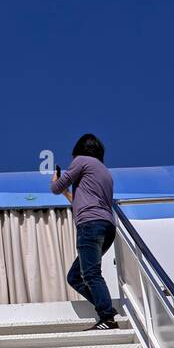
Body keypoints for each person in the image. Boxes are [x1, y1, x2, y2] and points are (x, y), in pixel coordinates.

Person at [51, 133, 117, 330]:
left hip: (90, 225)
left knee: (90, 274)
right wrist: (67, 193)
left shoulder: (81, 161)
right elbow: (82, 202)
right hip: (107, 226)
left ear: (78, 151)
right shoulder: (104, 171)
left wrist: (56, 180)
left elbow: (55, 188)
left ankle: (107, 317)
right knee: (75, 277)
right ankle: (105, 308)